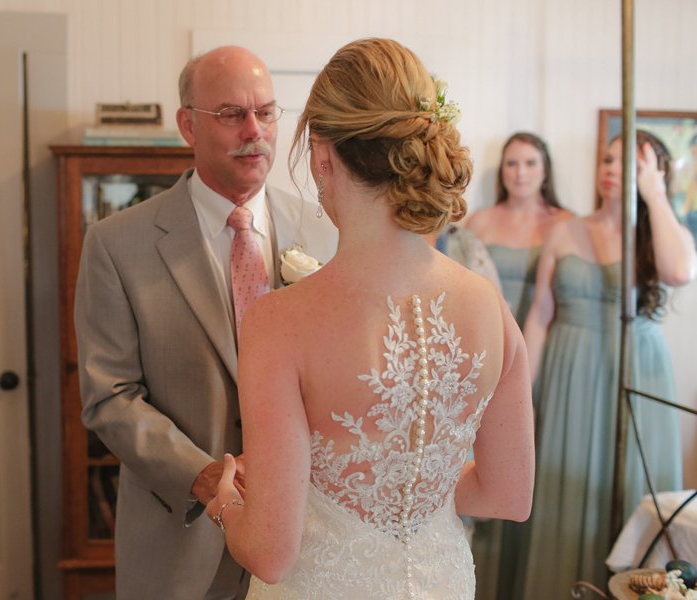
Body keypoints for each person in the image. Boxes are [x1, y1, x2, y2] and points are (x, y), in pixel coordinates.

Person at [204, 38, 536, 599]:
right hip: (442, 583)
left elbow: (270, 552)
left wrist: (227, 500)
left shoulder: (279, 321)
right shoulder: (490, 308)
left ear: (322, 155)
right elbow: (508, 496)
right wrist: (411, 489)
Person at [74, 46, 338, 600]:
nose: (254, 130)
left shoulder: (325, 232)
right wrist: (202, 476)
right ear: (187, 125)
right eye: (231, 114)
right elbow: (109, 396)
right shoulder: (117, 244)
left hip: (305, 539)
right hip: (179, 540)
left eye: (266, 112)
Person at [511, 130, 697, 598]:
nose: (612, 169)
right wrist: (520, 396)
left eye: (628, 163)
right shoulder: (566, 230)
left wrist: (655, 195)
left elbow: (679, 272)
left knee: (629, 487)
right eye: (608, 159)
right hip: (569, 375)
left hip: (636, 373)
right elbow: (541, 315)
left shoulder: (658, 232)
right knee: (563, 487)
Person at [465, 132, 574, 326]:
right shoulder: (479, 221)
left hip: (545, 333)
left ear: (545, 170)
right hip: (490, 330)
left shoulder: (565, 223)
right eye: (511, 164)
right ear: (502, 170)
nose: (520, 173)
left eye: (531, 163)